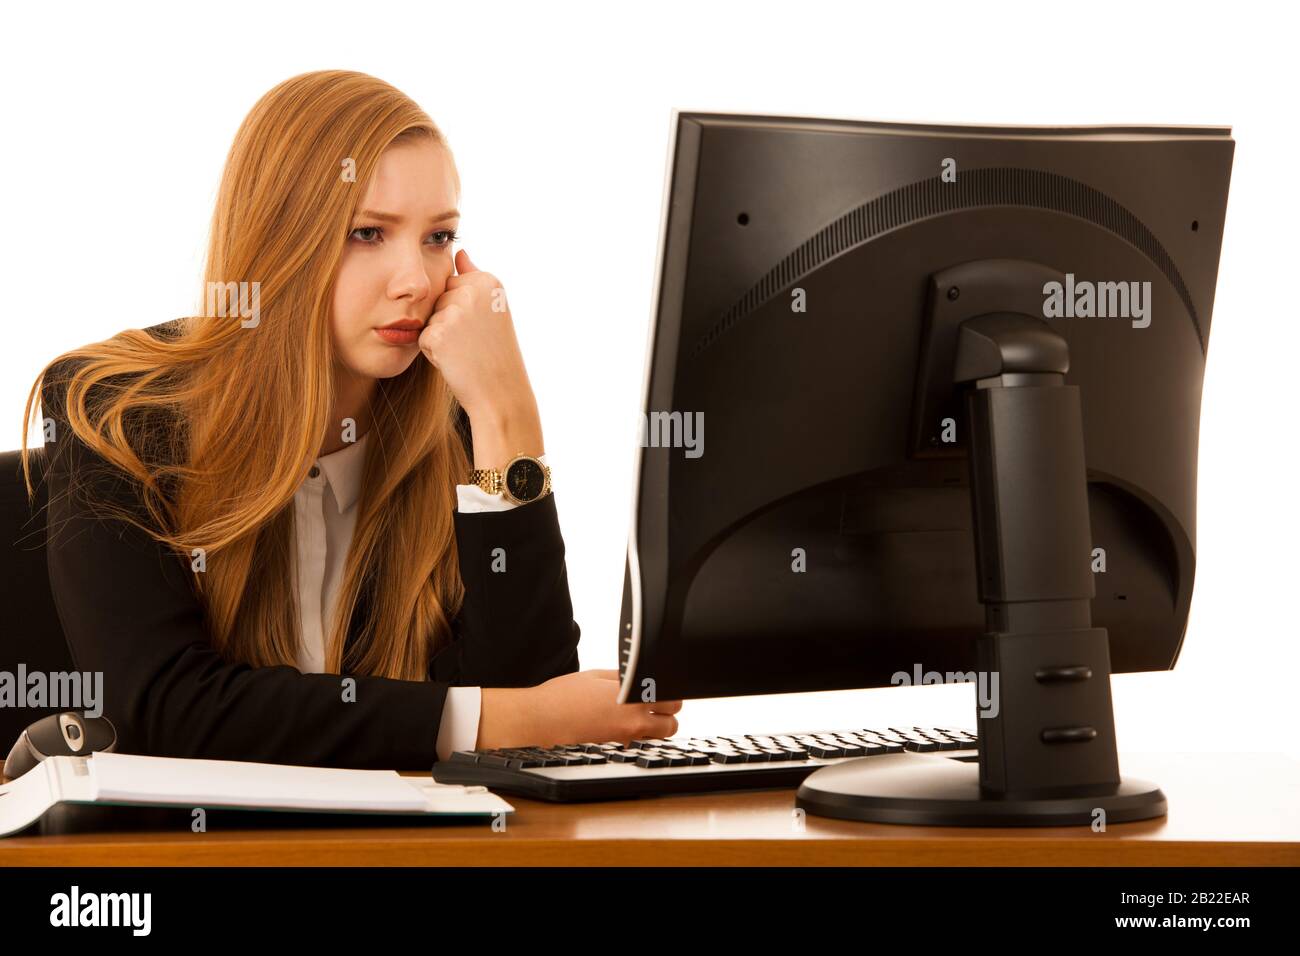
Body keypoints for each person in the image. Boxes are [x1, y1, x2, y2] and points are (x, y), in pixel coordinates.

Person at [18, 69, 680, 770]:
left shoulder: (451, 416)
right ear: (279, 240)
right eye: (369, 233)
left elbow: (534, 719)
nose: (417, 283)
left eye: (437, 237)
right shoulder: (117, 409)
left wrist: (506, 416)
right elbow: (162, 708)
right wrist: (500, 718)